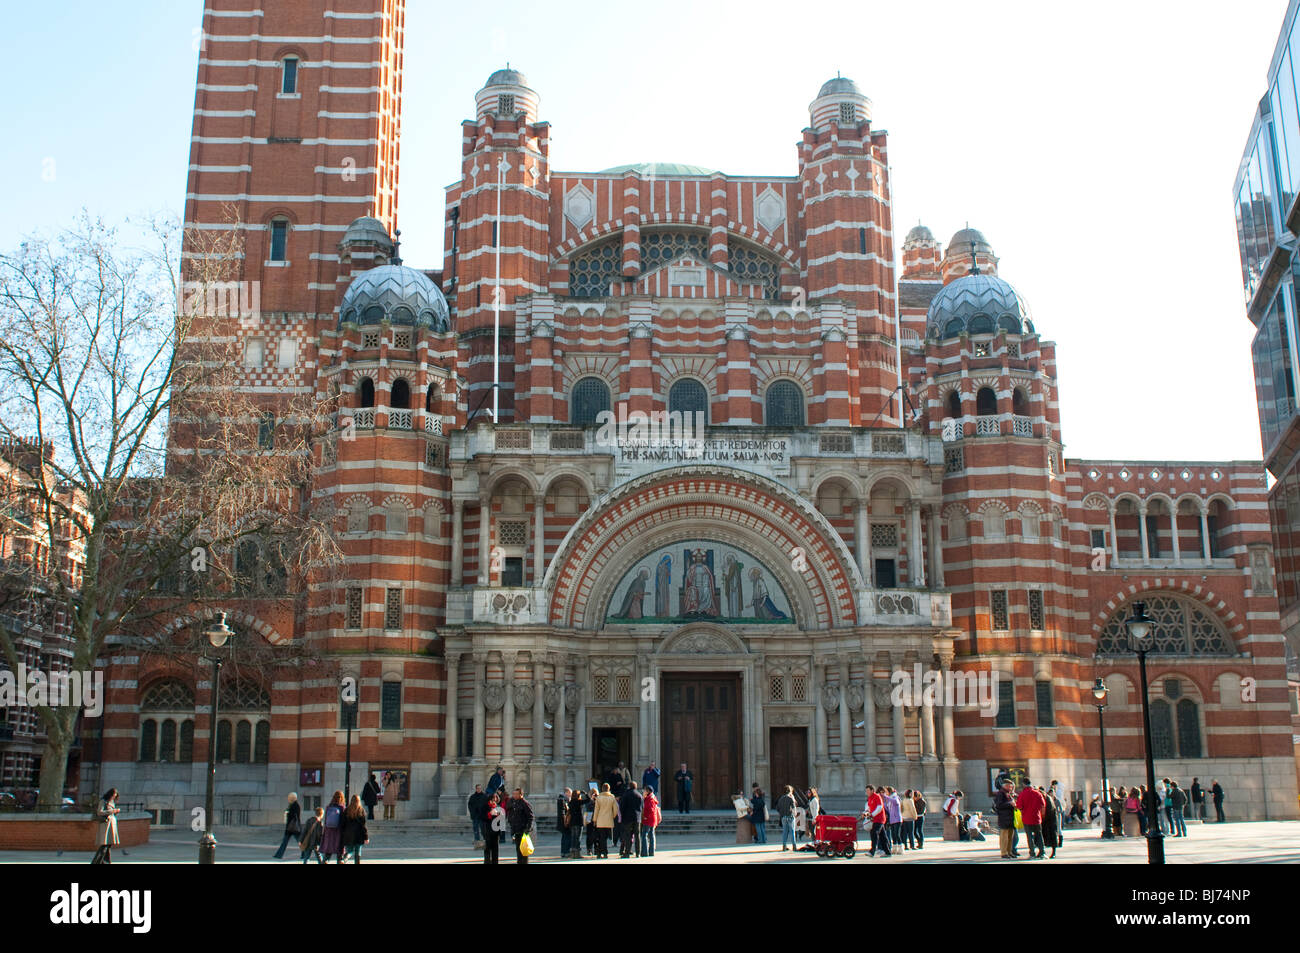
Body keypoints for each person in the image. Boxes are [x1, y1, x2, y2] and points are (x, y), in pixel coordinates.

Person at [1015, 780, 1045, 859]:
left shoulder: (1022, 794)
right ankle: (1042, 852)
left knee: (1029, 837)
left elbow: (1019, 806)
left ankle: (1032, 853)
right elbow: (1043, 804)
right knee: (1039, 835)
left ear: (1024, 784)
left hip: (1026, 818)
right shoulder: (1037, 793)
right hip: (1036, 818)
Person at [92, 788, 120, 865]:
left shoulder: (112, 802)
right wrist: (112, 811)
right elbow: (100, 812)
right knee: (104, 845)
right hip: (106, 825)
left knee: (108, 845)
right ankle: (97, 861)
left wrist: (115, 812)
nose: (113, 797)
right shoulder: (103, 801)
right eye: (113, 796)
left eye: (115, 796)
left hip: (112, 825)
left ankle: (106, 861)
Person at [507, 788, 535, 864]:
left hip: (523, 829)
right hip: (516, 829)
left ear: (521, 795)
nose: (514, 796)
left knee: (524, 849)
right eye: (513, 794)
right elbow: (510, 814)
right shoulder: (513, 803)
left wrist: (528, 828)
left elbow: (531, 816)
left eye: (516, 794)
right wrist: (510, 822)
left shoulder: (525, 803)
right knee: (518, 849)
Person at [993, 778, 1018, 859]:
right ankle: (1004, 852)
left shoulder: (1008, 793)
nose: (1011, 788)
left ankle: (1009, 851)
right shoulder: (1001, 793)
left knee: (1010, 836)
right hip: (1004, 818)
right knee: (1004, 836)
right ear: (1005, 786)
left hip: (1010, 818)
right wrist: (1010, 804)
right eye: (1009, 786)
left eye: (1011, 786)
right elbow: (999, 805)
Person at [864, 784, 891, 856]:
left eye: (868, 790)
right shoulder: (870, 798)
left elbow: (879, 808)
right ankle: (888, 852)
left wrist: (872, 814)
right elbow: (868, 808)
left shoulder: (877, 797)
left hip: (880, 819)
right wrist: (865, 813)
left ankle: (872, 851)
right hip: (874, 819)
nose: (867, 792)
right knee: (883, 836)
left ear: (872, 790)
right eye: (866, 791)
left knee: (874, 832)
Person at [341, 794, 369, 863]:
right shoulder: (361, 811)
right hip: (358, 835)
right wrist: (366, 837)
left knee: (349, 851)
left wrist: (343, 834)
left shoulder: (347, 810)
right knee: (358, 852)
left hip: (348, 834)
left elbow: (343, 824)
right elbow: (363, 826)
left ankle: (344, 859)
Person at [618, 781, 643, 858]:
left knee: (628, 835)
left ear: (629, 786)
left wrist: (622, 815)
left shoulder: (626, 795)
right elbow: (642, 807)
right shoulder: (639, 795)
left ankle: (627, 852)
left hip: (627, 818)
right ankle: (638, 853)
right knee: (637, 835)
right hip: (637, 818)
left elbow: (621, 807)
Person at [273, 791, 301, 859]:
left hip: (292, 827)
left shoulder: (295, 805)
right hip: (292, 828)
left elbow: (293, 816)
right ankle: (279, 855)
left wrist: (288, 814)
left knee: (299, 842)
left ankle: (305, 854)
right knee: (286, 842)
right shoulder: (293, 805)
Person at [593, 782, 618, 858]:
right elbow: (616, 809)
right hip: (609, 820)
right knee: (606, 837)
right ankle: (605, 852)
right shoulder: (612, 797)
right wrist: (612, 816)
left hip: (600, 820)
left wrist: (594, 819)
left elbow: (596, 810)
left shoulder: (599, 798)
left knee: (601, 837)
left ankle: (600, 852)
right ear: (609, 789)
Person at [321, 790, 345, 863]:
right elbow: (343, 821)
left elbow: (326, 820)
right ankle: (339, 861)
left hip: (329, 831)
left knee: (328, 851)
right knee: (339, 852)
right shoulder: (342, 808)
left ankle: (326, 861)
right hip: (338, 831)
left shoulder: (328, 807)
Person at [483, 792, 504, 864]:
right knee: (487, 848)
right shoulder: (486, 806)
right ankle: (487, 862)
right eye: (493, 798)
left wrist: (499, 815)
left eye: (495, 798)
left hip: (496, 831)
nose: (494, 800)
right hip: (488, 829)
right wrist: (490, 814)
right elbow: (483, 817)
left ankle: (495, 862)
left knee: (495, 848)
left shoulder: (498, 807)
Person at [776, 785, 798, 851]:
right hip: (790, 817)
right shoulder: (790, 798)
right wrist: (795, 814)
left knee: (785, 832)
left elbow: (777, 808)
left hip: (783, 817)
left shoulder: (781, 799)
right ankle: (794, 846)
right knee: (792, 832)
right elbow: (794, 808)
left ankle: (784, 846)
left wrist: (782, 813)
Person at [1039, 785, 1059, 859]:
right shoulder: (1043, 798)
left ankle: (1054, 852)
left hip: (1051, 821)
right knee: (1042, 836)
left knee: (1052, 836)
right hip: (1044, 821)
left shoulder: (1048, 799)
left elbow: (1050, 811)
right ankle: (1042, 851)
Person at [641, 786, 661, 857]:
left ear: (648, 791)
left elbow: (649, 809)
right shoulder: (652, 798)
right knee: (651, 835)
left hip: (648, 819)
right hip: (653, 819)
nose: (643, 791)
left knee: (644, 835)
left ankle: (644, 852)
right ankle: (651, 851)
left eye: (645, 790)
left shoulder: (649, 799)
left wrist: (645, 816)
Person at [468, 784, 488, 848]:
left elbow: (487, 806)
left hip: (482, 816)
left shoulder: (485, 796)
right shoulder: (473, 797)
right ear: (476, 789)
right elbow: (470, 805)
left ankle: (485, 841)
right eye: (478, 788)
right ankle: (477, 840)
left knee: (483, 829)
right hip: (475, 816)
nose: (479, 789)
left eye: (480, 788)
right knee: (475, 829)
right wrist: (472, 812)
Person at [884, 787, 904, 851]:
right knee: (893, 835)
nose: (885, 793)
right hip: (892, 819)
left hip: (897, 819)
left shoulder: (895, 797)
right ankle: (895, 848)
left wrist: (886, 797)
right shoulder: (889, 799)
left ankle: (900, 847)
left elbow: (896, 802)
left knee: (897, 834)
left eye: (886, 791)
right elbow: (887, 808)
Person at [557, 787, 573, 858]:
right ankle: (566, 852)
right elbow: (563, 812)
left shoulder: (561, 799)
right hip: (564, 821)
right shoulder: (563, 800)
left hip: (562, 821)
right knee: (567, 837)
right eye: (570, 794)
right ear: (566, 793)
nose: (570, 795)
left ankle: (563, 852)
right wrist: (565, 822)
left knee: (564, 837)